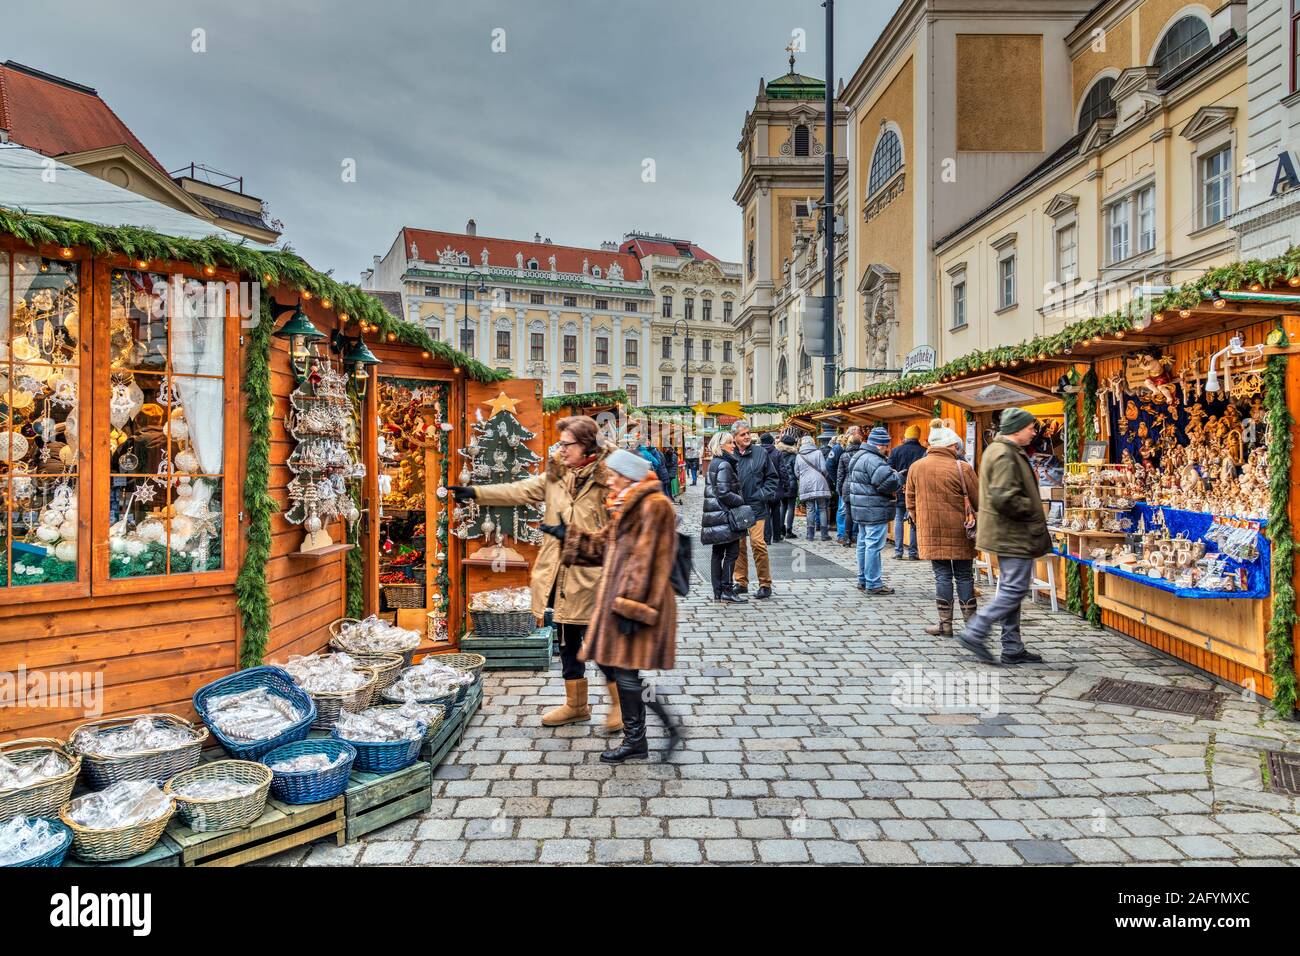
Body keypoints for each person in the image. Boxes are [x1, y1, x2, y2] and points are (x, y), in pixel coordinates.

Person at [448, 415, 620, 731]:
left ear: (585, 446)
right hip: (560, 572)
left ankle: (619, 706)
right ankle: (576, 705)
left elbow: (621, 528)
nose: (561, 449)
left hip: (594, 574)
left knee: (600, 642)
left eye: (567, 444)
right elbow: (521, 490)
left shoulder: (608, 478)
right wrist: (477, 494)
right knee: (568, 640)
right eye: (561, 443)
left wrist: (581, 538)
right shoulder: (557, 475)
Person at [557, 448, 682, 762]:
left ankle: (648, 736)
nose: (608, 480)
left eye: (613, 475)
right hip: (622, 601)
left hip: (639, 601)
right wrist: (569, 537)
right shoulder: (625, 503)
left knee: (627, 674)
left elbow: (650, 562)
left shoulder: (653, 506)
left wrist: (632, 606)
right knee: (627, 674)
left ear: (628, 476)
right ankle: (643, 738)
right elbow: (603, 544)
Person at [960, 408, 1049, 665]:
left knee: (1013, 589)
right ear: (1017, 428)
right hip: (1013, 533)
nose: (1034, 432)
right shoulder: (1004, 454)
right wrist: (1034, 510)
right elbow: (1003, 497)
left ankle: (1012, 646)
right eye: (1031, 427)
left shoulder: (1004, 451)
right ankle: (976, 631)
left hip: (1011, 532)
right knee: (1014, 589)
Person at [906, 419, 979, 637]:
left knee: (942, 576)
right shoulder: (962, 467)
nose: (958, 450)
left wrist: (922, 522)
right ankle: (972, 627)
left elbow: (909, 501)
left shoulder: (916, 467)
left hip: (931, 531)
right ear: (951, 446)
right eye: (957, 446)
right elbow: (977, 499)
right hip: (961, 530)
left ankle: (945, 625)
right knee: (964, 576)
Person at [846, 425, 901, 595]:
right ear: (880, 445)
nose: (887, 449)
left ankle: (863, 579)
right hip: (873, 508)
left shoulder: (859, 456)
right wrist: (898, 476)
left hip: (861, 507)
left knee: (863, 544)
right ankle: (873, 583)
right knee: (873, 545)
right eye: (886, 446)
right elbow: (887, 483)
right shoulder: (873, 459)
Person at [730, 421, 779, 599]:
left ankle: (765, 584)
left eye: (748, 433)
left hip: (757, 506)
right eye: (743, 434)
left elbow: (772, 477)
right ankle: (741, 582)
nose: (747, 436)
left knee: (758, 544)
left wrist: (763, 494)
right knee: (739, 546)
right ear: (734, 437)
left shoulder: (761, 452)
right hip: (737, 507)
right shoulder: (730, 454)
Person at [701, 430, 747, 603]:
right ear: (721, 446)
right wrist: (741, 500)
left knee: (717, 553)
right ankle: (726, 589)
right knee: (732, 552)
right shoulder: (724, 464)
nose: (733, 446)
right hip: (725, 515)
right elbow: (723, 492)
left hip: (716, 515)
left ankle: (718, 591)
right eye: (730, 443)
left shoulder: (715, 463)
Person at [889, 425, 926, 560]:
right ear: (918, 436)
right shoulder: (924, 451)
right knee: (914, 520)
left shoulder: (896, 451)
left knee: (898, 519)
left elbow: (889, 470)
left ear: (906, 436)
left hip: (899, 490)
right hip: (916, 490)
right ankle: (913, 553)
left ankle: (898, 552)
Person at [794, 435, 831, 540]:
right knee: (822, 508)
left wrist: (803, 477)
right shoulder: (818, 453)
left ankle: (810, 535)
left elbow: (796, 472)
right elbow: (824, 468)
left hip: (805, 483)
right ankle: (824, 534)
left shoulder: (798, 456)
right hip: (819, 482)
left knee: (810, 509)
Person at [835, 426, 864, 546]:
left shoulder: (844, 455)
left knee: (848, 513)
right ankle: (857, 536)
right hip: (860, 486)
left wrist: (839, 489)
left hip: (847, 486)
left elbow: (840, 475)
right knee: (859, 512)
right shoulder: (863, 455)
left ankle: (847, 537)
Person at [773, 429, 801, 540]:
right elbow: (796, 471)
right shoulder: (794, 456)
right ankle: (789, 530)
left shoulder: (777, 454)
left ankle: (780, 529)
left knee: (782, 507)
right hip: (792, 484)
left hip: (781, 484)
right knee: (791, 507)